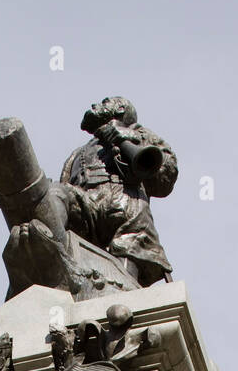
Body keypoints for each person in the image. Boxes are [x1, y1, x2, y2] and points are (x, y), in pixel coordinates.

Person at [59, 96, 177, 287]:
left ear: (120, 109)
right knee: (58, 195)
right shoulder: (78, 152)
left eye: (104, 102)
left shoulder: (139, 133)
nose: (94, 105)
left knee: (123, 280)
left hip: (125, 209)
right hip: (86, 206)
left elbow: (165, 177)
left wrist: (130, 139)